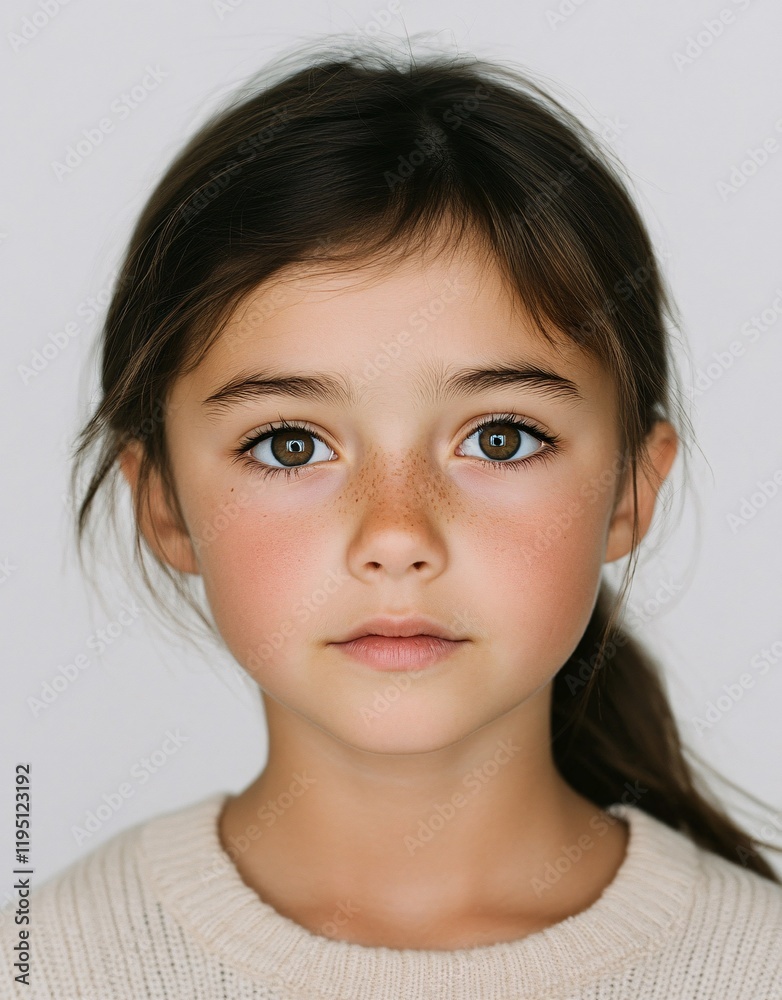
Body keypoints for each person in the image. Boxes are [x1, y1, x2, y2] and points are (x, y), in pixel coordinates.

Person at [3, 37, 781, 1000]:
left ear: (629, 490)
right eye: (291, 445)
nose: (397, 536)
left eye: (500, 439)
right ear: (162, 503)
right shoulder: (43, 968)